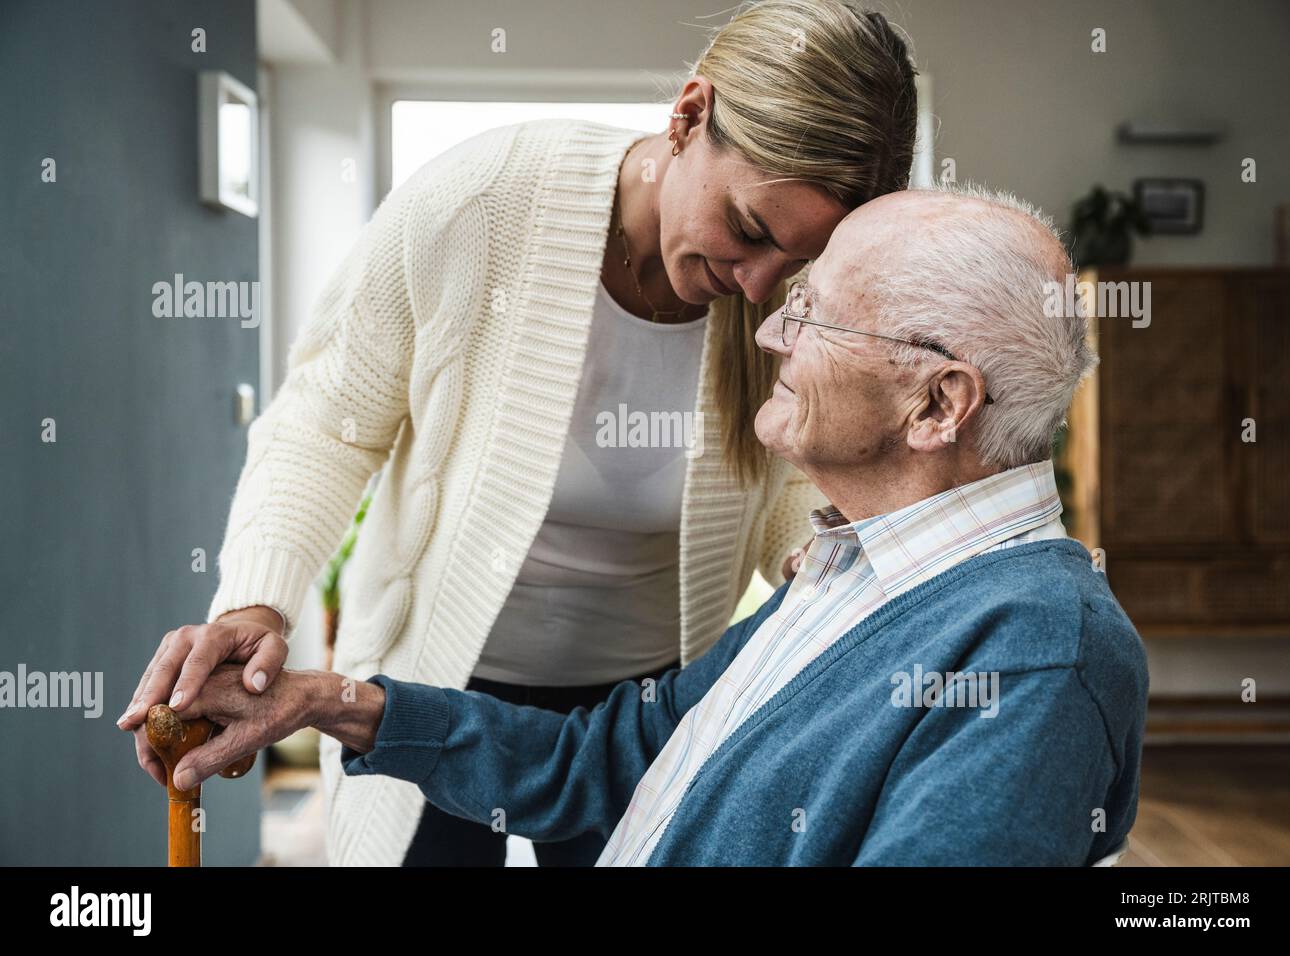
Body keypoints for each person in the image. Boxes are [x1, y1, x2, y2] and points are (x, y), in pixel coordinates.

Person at [118, 0, 921, 865]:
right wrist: (255, 600)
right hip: (425, 688)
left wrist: (827, 566)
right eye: (750, 231)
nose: (763, 288)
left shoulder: (795, 298)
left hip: (637, 717)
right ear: (690, 114)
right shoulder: (482, 200)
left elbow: (798, 476)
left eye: (797, 262)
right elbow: (327, 420)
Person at [139, 184, 1150, 866]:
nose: (766, 332)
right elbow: (611, 761)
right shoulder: (850, 569)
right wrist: (323, 700)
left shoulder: (1033, 657)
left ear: (936, 405)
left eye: (813, 316)